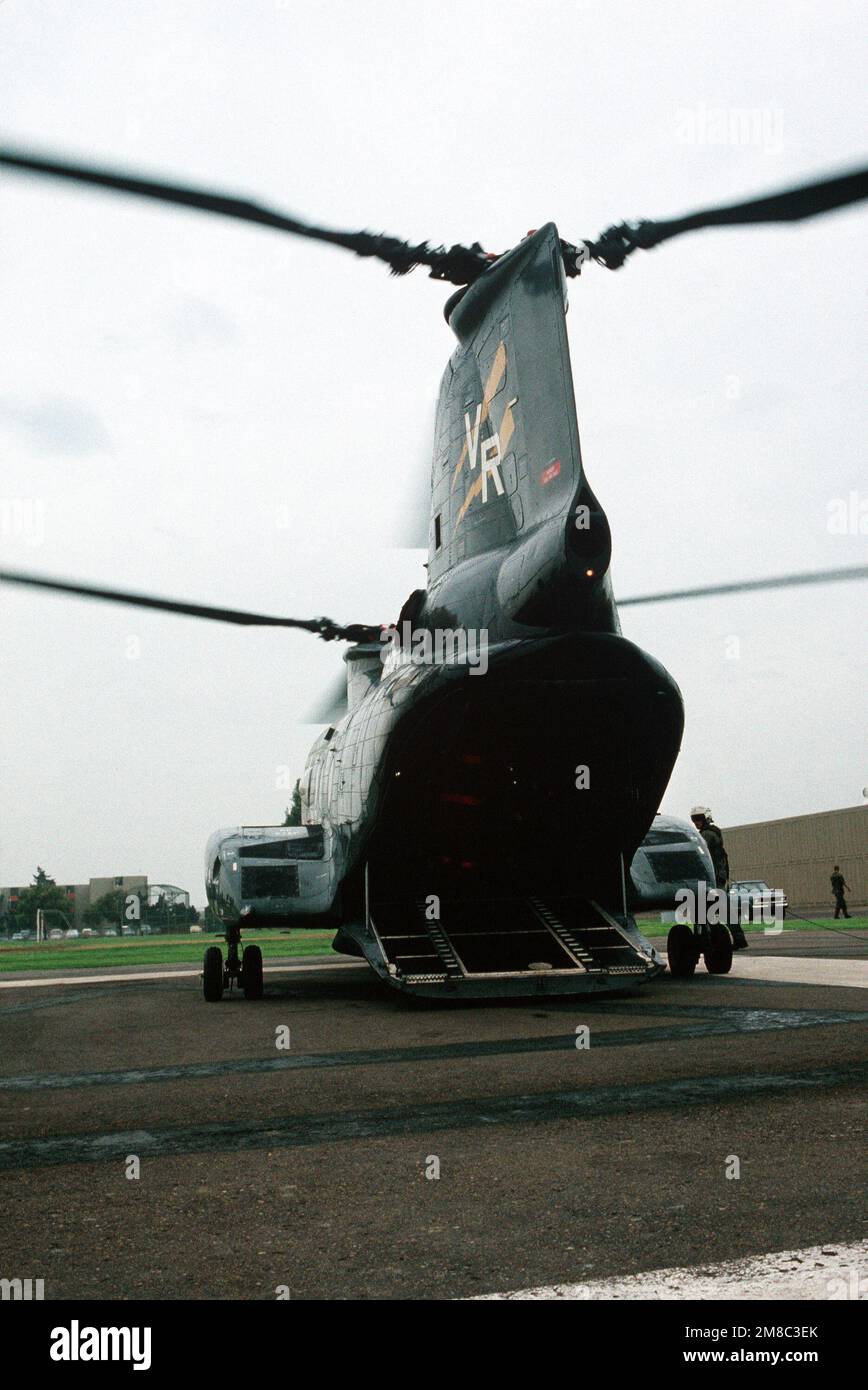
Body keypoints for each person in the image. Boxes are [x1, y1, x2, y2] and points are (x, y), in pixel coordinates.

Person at [690, 804, 749, 950]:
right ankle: (735, 938)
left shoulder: (706, 835)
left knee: (704, 910)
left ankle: (706, 940)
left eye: (698, 818)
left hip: (713, 879)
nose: (696, 822)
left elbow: (698, 853)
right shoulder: (713, 833)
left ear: (706, 818)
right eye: (694, 819)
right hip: (718, 877)